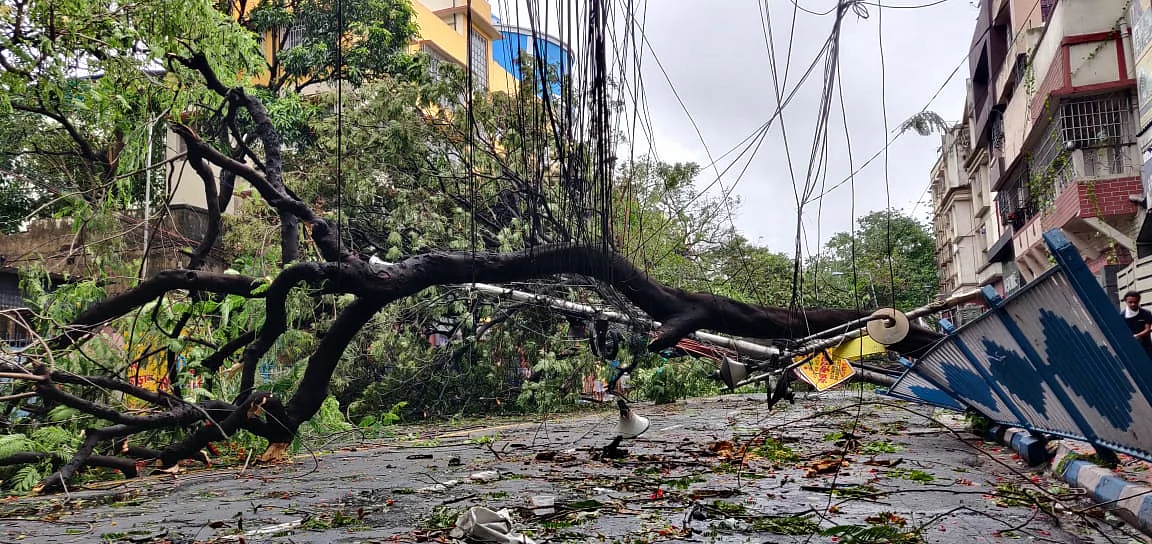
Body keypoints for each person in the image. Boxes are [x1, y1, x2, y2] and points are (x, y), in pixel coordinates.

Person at [1122, 291, 1152, 359]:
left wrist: (1137, 336)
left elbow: (1147, 329)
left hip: (1146, 346)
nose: (1133, 304)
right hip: (1130, 347)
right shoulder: (1122, 316)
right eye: (1130, 302)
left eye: (1135, 302)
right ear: (1126, 302)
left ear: (1138, 301)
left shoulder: (1146, 313)